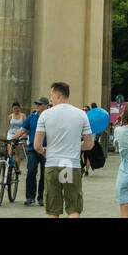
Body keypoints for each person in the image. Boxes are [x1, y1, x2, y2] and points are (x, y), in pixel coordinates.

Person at [34, 82, 93, 218]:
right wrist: (75, 146)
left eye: (51, 96)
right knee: (73, 208)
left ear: (58, 95)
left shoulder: (45, 115)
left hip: (52, 164)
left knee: (53, 210)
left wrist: (44, 151)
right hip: (70, 165)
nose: (51, 99)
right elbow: (89, 144)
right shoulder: (81, 114)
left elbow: (37, 145)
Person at [23, 97, 49, 206]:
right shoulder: (31, 117)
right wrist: (12, 139)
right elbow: (23, 129)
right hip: (33, 149)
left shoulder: (51, 117)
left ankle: (42, 197)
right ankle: (30, 197)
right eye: (36, 104)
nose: (37, 105)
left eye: (40, 104)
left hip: (47, 150)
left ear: (46, 106)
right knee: (31, 171)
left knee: (45, 174)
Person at [4, 101, 26, 166]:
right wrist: (5, 138)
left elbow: (25, 126)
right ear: (12, 109)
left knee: (18, 152)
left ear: (19, 108)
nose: (16, 110)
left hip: (19, 134)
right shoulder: (10, 116)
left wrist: (24, 135)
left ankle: (17, 167)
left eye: (17, 108)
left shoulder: (23, 116)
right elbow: (7, 127)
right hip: (11, 134)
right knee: (9, 152)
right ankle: (9, 165)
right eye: (14, 109)